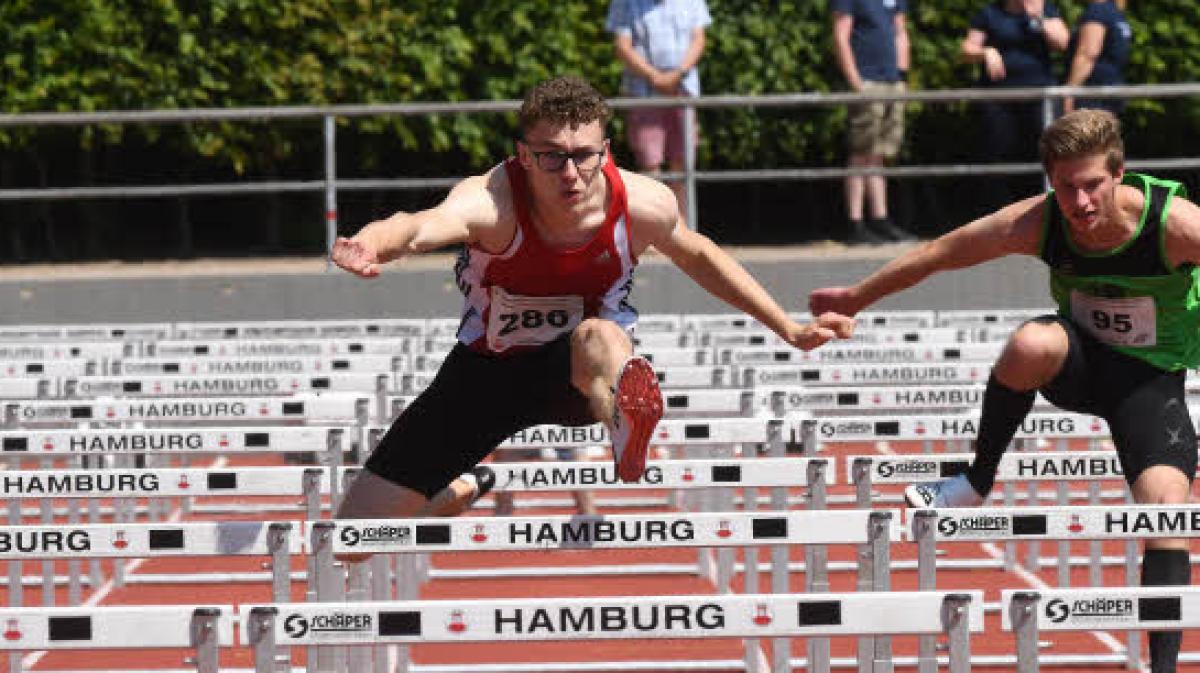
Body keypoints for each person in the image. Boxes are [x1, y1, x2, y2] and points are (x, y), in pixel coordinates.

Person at [332, 76, 855, 555]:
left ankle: (624, 421)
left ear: (605, 150)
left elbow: (700, 254)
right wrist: (368, 245)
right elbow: (415, 226)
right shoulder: (492, 202)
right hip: (484, 374)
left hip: (580, 373)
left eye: (585, 156)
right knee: (349, 542)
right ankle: (452, 493)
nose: (571, 173)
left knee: (600, 335)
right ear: (523, 155)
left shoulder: (642, 204)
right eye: (552, 157)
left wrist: (786, 326)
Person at [810, 109, 1196, 673]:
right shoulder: (1038, 222)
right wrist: (856, 300)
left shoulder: (1176, 226)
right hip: (1078, 362)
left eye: (1093, 185)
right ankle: (975, 478)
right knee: (1029, 344)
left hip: (1150, 382)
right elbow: (941, 253)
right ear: (1050, 183)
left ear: (1119, 174)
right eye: (1067, 188)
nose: (1082, 203)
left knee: (1166, 511)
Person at [606, 0, 711, 226]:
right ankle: (653, 228)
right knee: (649, 161)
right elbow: (623, 47)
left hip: (682, 89)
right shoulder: (624, 2)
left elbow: (699, 40)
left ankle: (683, 225)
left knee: (682, 159)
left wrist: (678, 74)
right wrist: (655, 77)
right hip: (642, 91)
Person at [961, 0, 1069, 210]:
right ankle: (1000, 213)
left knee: (1048, 153)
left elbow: (1063, 43)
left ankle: (1049, 210)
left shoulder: (1046, 9)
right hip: (998, 99)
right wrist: (985, 52)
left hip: (1039, 98)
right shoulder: (990, 13)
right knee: (998, 155)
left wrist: (1038, 18)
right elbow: (967, 49)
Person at [831, 0, 916, 244]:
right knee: (860, 152)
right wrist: (856, 82)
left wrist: (902, 77)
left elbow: (901, 32)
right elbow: (840, 35)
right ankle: (855, 223)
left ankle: (880, 219)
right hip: (867, 80)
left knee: (880, 154)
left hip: (892, 82)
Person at [1063, 0, 1131, 116]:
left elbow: (1088, 54)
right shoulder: (1114, 11)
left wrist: (1070, 92)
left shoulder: (1097, 11)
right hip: (1111, 88)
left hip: (1092, 93)